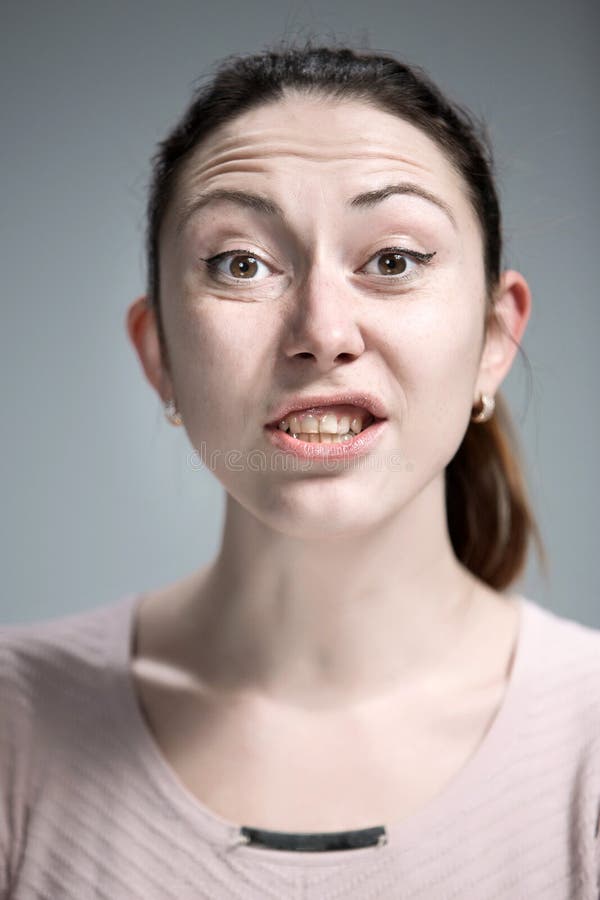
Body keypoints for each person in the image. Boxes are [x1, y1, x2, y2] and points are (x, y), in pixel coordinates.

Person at [1, 40, 599, 900]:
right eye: (241, 264)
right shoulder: (14, 726)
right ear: (158, 351)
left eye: (392, 260)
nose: (323, 329)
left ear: (494, 339)